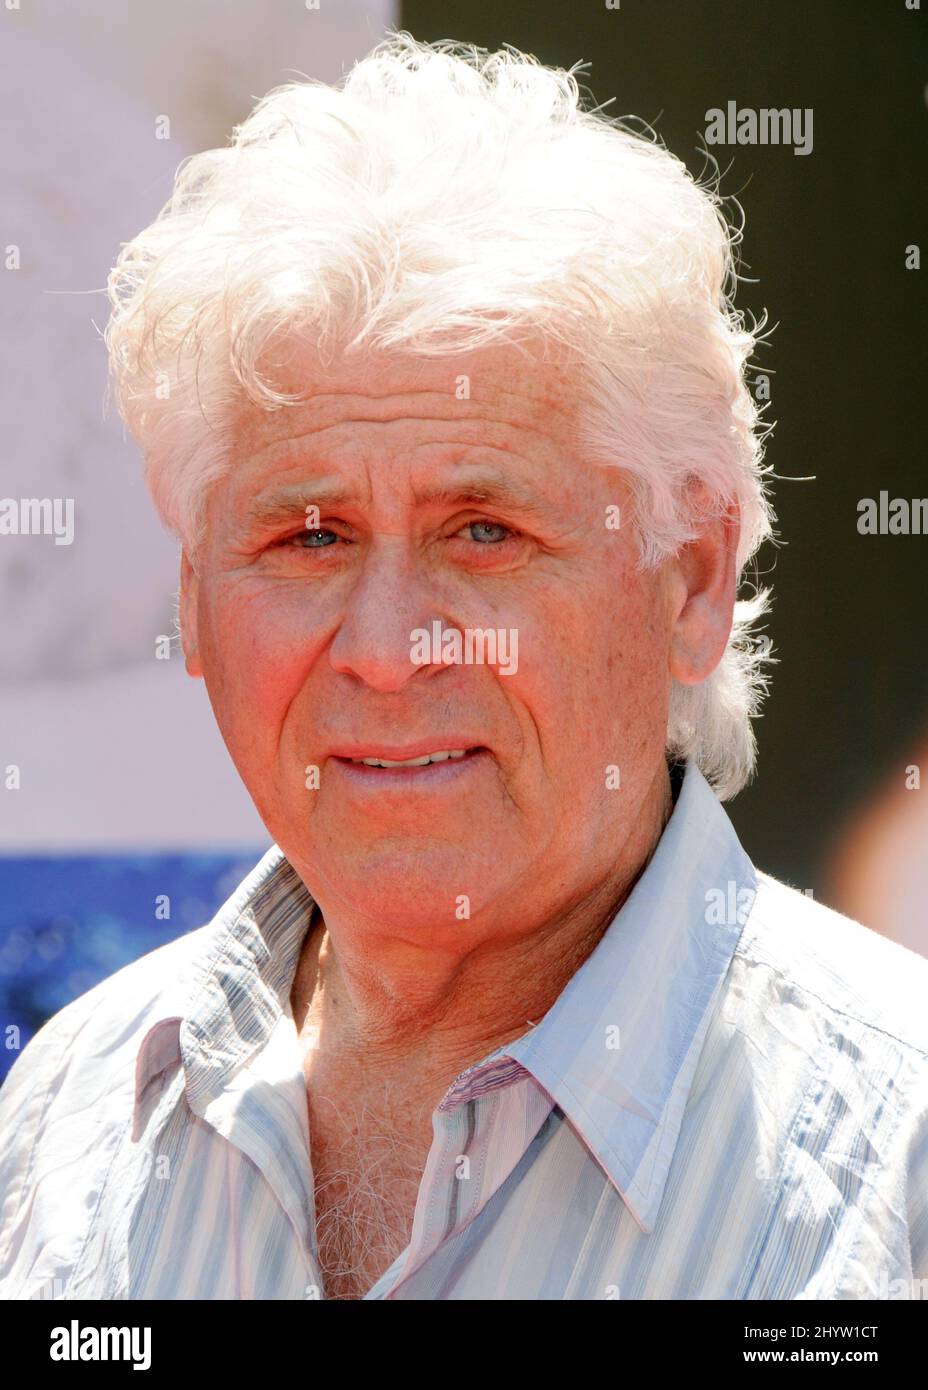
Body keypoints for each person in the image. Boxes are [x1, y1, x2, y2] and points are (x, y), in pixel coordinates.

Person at [1, 31, 926, 1302]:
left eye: (485, 533)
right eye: (307, 535)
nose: (386, 652)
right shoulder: (69, 1113)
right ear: (195, 604)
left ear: (693, 582)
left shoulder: (899, 1158)